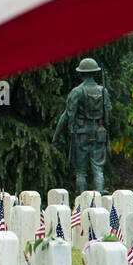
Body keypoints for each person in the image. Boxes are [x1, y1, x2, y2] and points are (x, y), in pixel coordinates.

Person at [52, 58, 113, 194]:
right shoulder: (103, 91)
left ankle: (82, 200)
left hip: (81, 133)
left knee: (81, 172)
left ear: (81, 74)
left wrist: (56, 136)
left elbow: (67, 115)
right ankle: (99, 195)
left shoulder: (77, 92)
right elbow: (108, 115)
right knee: (98, 169)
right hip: (99, 133)